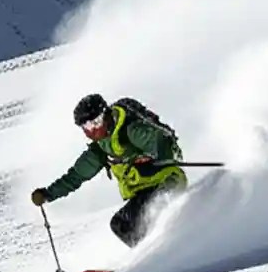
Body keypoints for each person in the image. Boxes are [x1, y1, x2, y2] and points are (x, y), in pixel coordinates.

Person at [31, 93, 187, 247]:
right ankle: (157, 254)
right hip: (143, 192)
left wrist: (154, 161)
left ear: (106, 115)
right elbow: (76, 176)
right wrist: (48, 194)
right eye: (86, 126)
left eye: (96, 122)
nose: (92, 130)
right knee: (130, 225)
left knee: (124, 223)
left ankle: (155, 255)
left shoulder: (131, 130)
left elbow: (162, 141)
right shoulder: (100, 148)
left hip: (166, 182)